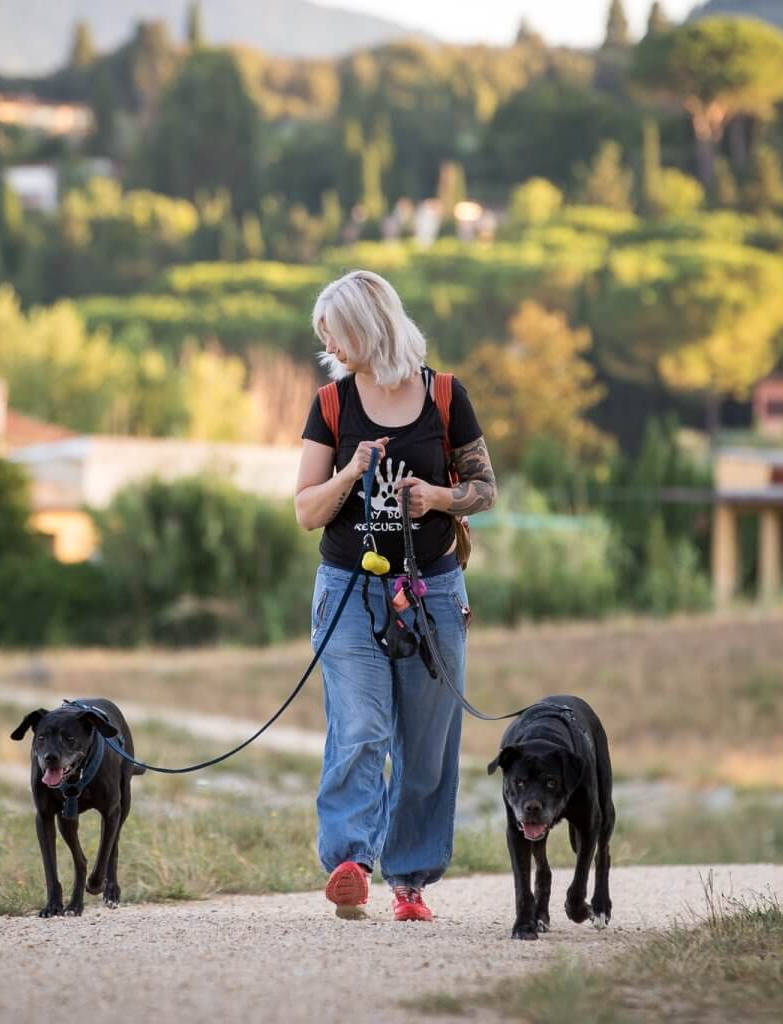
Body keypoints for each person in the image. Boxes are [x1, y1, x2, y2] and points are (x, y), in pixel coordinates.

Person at [293, 269, 497, 922]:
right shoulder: (331, 405)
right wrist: (351, 472)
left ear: (367, 324)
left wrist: (438, 497)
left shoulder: (444, 397)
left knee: (428, 738)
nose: (329, 343)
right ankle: (351, 862)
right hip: (349, 590)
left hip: (433, 587)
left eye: (335, 330)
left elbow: (485, 487)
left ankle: (410, 880)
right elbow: (305, 510)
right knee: (361, 726)